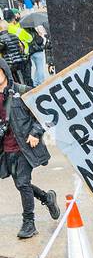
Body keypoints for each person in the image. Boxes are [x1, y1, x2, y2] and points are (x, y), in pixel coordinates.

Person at [0, 59, 58, 240]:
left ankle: (29, 222)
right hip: (6, 149)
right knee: (20, 184)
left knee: (23, 183)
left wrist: (35, 132)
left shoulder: (21, 91)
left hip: (24, 146)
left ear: (4, 71)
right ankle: (47, 198)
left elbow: (45, 112)